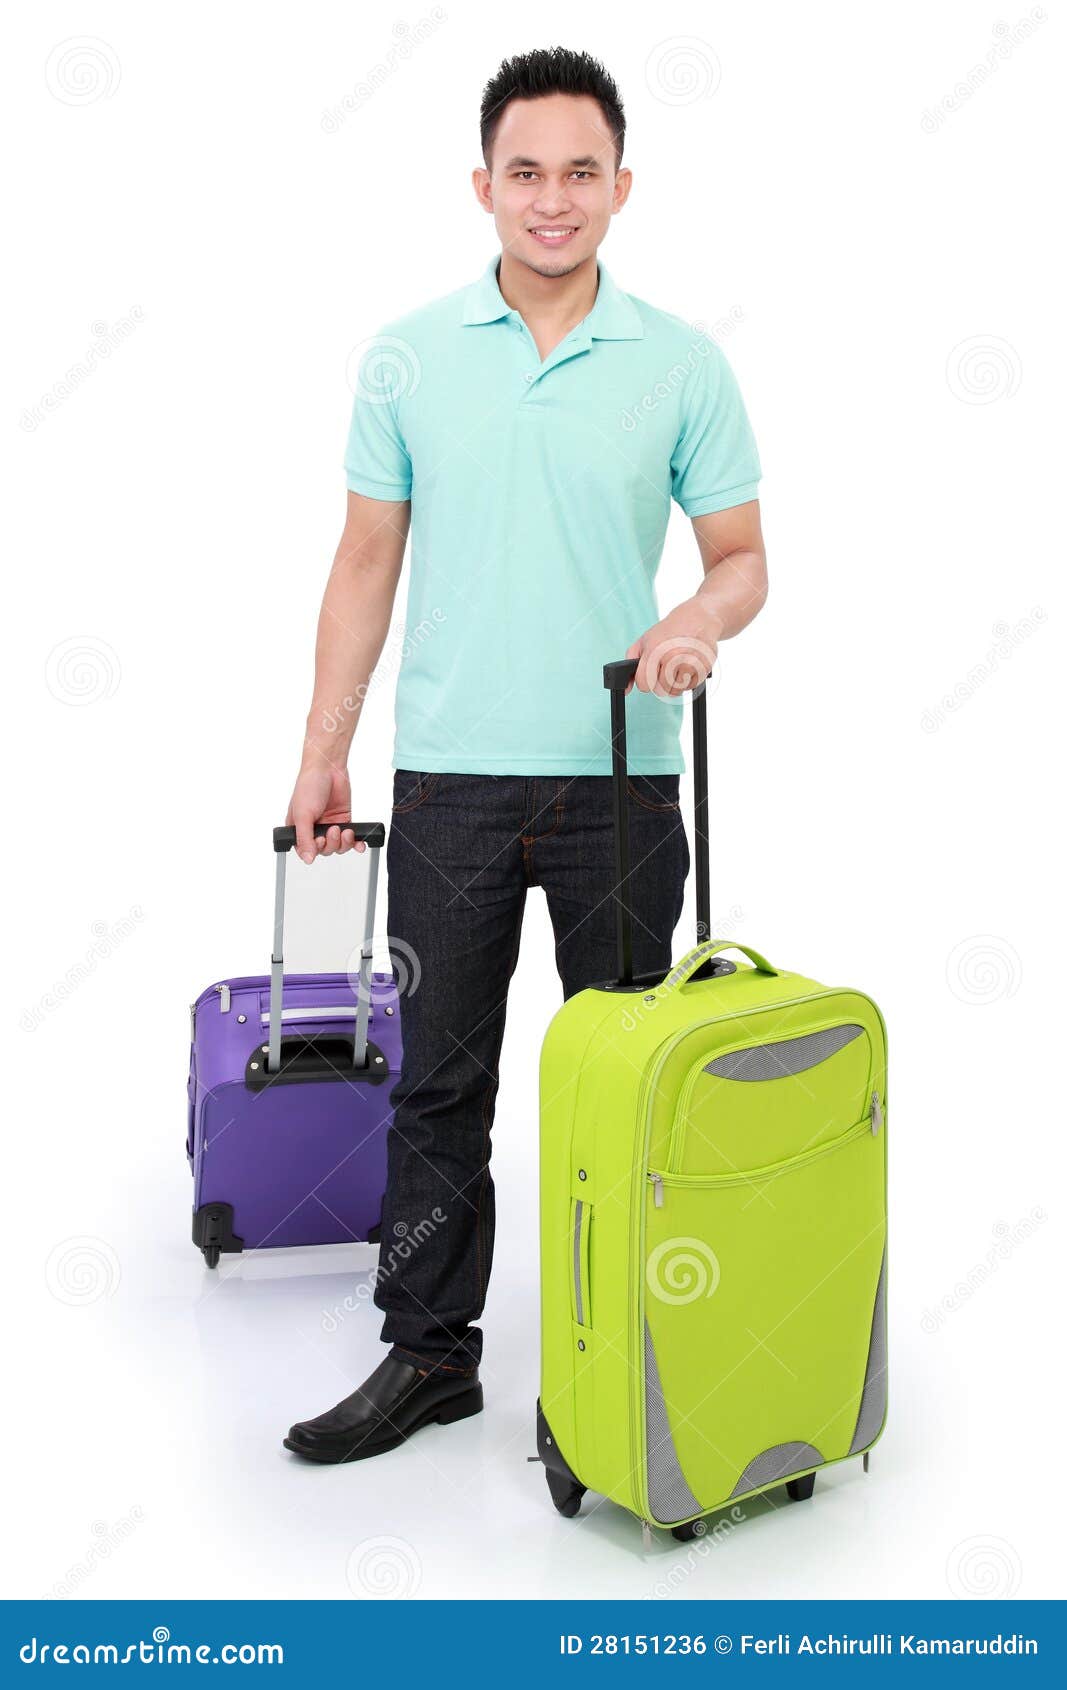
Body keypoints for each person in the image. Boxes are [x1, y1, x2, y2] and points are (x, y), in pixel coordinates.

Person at [282, 46, 767, 1463]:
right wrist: (324, 749)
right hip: (448, 782)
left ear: (622, 185)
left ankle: (610, 1377)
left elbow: (741, 560)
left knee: (622, 1087)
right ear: (482, 183)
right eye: (525, 171)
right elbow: (366, 558)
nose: (552, 199)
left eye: (580, 171)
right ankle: (429, 1355)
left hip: (623, 774)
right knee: (439, 1082)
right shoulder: (410, 356)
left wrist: (694, 617)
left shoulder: (681, 361)